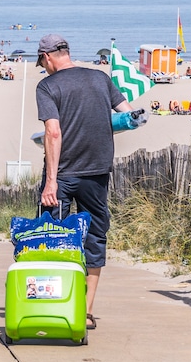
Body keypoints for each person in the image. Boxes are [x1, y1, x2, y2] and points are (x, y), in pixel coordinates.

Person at [35, 34, 133, 331]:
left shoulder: (48, 86)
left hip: (62, 175)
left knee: (51, 239)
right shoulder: (100, 79)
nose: (43, 66)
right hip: (97, 172)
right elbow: (127, 114)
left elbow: (53, 133)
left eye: (41, 61)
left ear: (48, 57)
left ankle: (54, 304)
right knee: (94, 238)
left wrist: (50, 182)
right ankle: (86, 311)